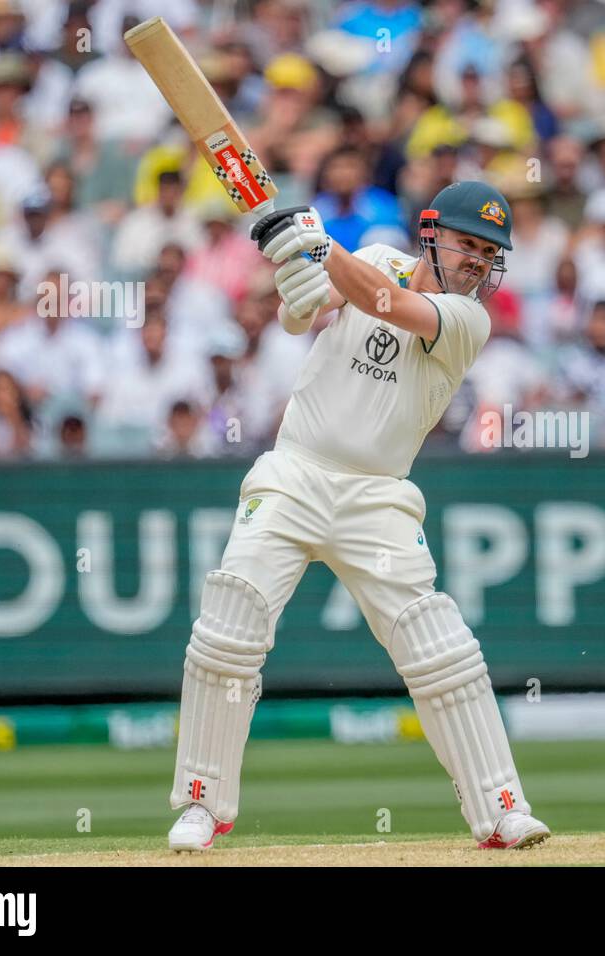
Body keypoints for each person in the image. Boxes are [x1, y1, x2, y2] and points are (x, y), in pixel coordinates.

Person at [166, 181, 549, 852]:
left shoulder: (468, 321)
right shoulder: (375, 253)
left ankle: (502, 807)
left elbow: (384, 301)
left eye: (491, 255)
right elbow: (304, 311)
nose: (479, 264)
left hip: (378, 496)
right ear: (430, 233)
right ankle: (202, 803)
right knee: (230, 625)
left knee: (441, 648)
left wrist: (317, 243)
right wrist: (296, 271)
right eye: (468, 246)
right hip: (295, 472)